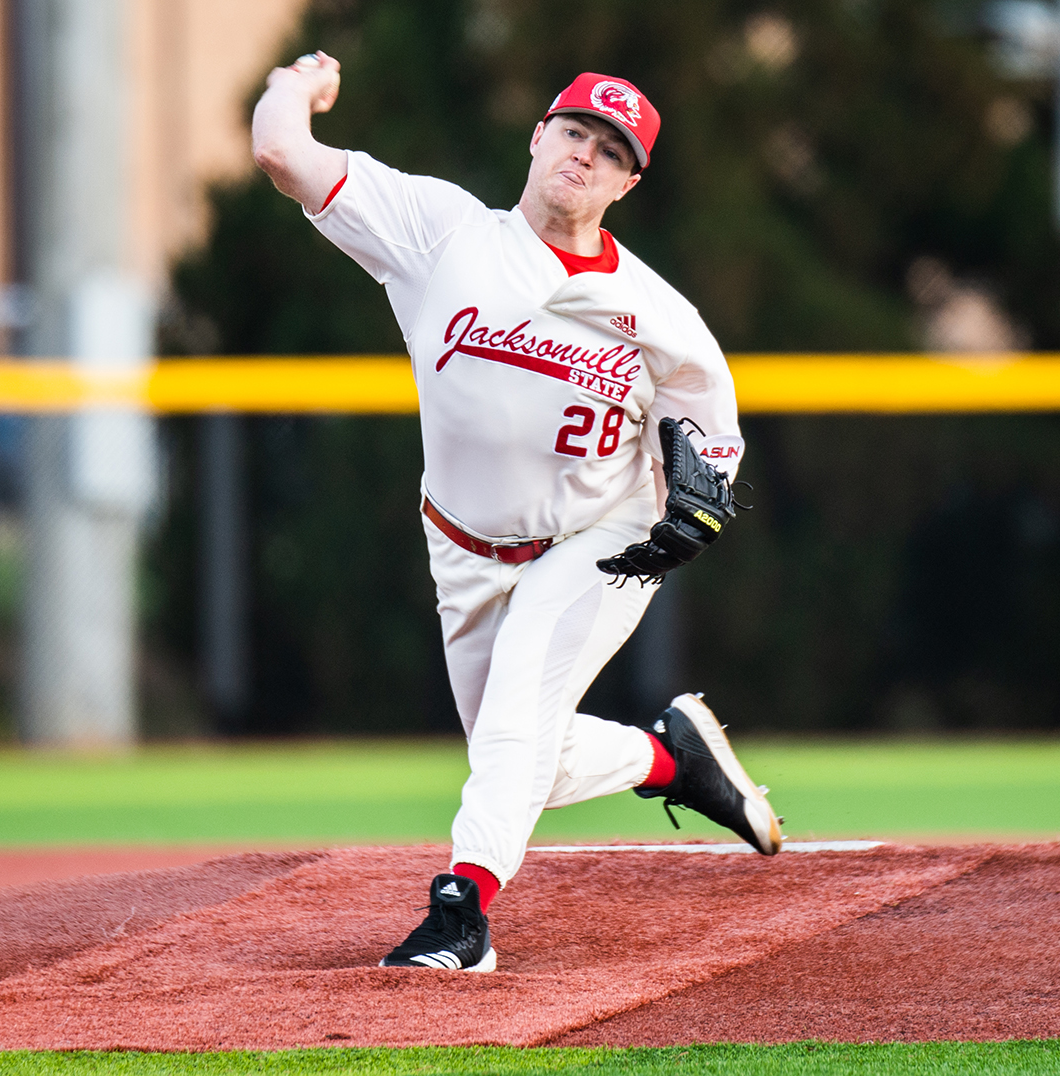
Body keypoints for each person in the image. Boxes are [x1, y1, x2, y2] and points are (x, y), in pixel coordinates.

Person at [251, 52, 784, 973]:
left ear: (629, 182)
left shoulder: (657, 313)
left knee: (510, 729)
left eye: (611, 150)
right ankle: (671, 759)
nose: (585, 153)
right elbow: (282, 156)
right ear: (539, 137)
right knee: (524, 752)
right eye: (575, 130)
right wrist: (296, 83)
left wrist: (702, 494)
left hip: (602, 540)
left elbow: (710, 434)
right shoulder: (441, 233)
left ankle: (462, 912)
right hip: (462, 545)